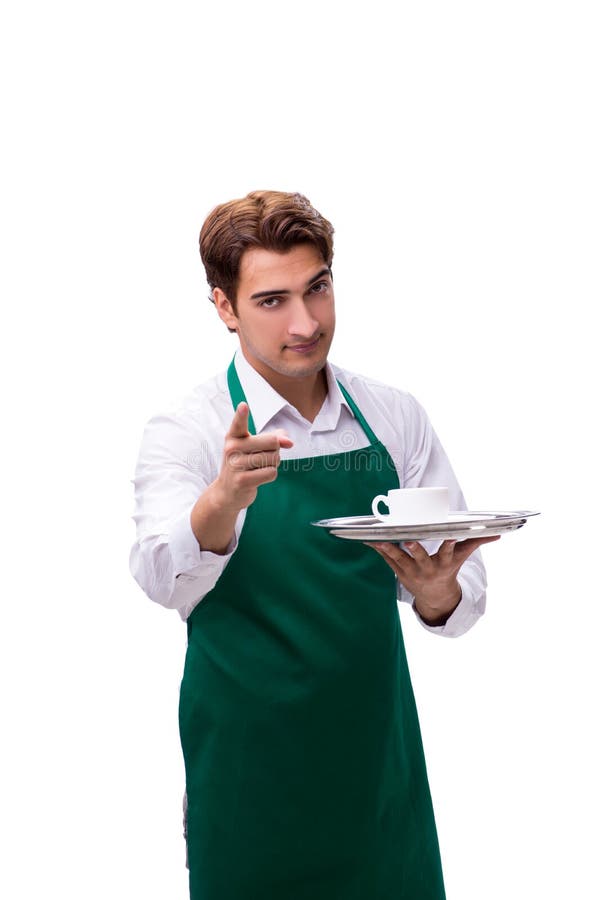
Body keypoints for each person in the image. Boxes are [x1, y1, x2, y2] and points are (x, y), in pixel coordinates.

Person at [129, 190, 499, 900]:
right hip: (247, 783)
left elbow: (459, 593)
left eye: (317, 289)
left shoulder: (392, 415)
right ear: (224, 307)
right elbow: (159, 579)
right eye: (271, 301)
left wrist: (435, 593)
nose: (305, 323)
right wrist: (221, 500)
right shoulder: (189, 430)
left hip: (378, 776)